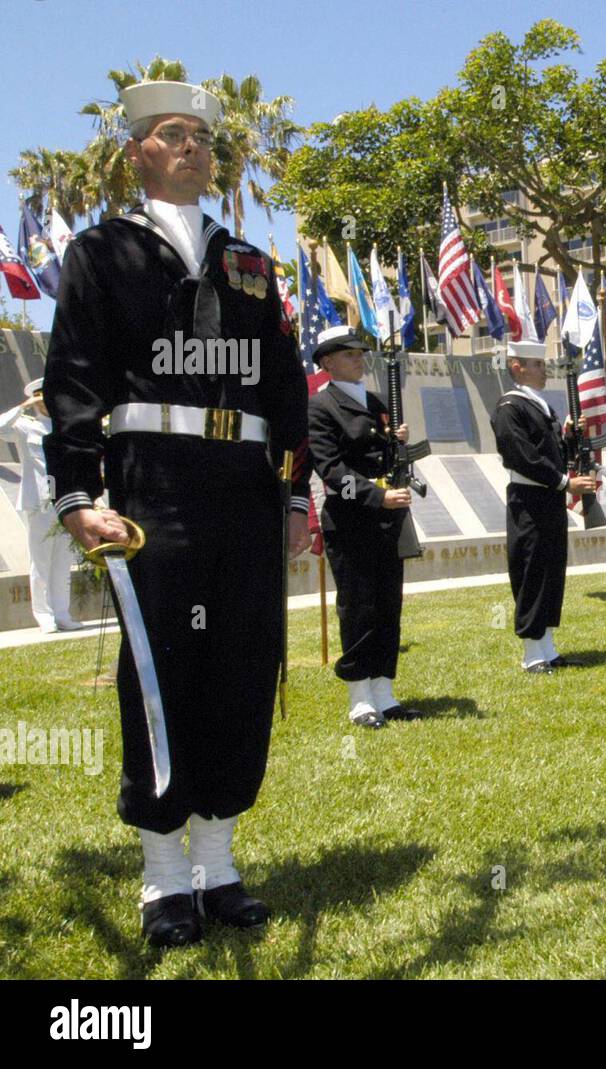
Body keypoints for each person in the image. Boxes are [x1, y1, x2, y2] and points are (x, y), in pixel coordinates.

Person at [41, 81, 312, 948]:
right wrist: (79, 494)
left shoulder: (250, 262)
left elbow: (285, 383)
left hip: (243, 485)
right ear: (137, 155)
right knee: (161, 671)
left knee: (241, 660)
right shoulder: (103, 252)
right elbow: (76, 374)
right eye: (172, 134)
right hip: (153, 483)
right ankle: (164, 877)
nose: (192, 146)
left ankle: (219, 863)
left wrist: (298, 489)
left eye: (201, 136)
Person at [308, 324, 413, 727]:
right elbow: (331, 469)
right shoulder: (320, 406)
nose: (358, 359)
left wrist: (395, 440)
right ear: (328, 362)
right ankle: (359, 698)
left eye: (359, 352)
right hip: (351, 519)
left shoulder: (375, 401)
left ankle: (384, 692)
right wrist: (376, 496)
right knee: (359, 606)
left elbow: (381, 457)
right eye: (349, 354)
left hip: (388, 517)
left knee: (388, 605)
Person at [490, 339, 597, 672]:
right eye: (536, 364)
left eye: (542, 364)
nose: (543, 369)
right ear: (516, 366)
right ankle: (532, 653)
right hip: (530, 499)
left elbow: (550, 452)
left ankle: (548, 648)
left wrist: (569, 437)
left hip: (548, 498)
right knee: (533, 572)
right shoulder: (511, 407)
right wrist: (565, 483)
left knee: (552, 571)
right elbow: (522, 456)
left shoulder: (540, 406)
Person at [0, 378, 81, 631]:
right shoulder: (24, 425)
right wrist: (23, 406)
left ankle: (62, 613)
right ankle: (43, 615)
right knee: (41, 562)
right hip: (40, 502)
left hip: (65, 499)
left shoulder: (63, 425)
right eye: (43, 398)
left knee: (63, 562)